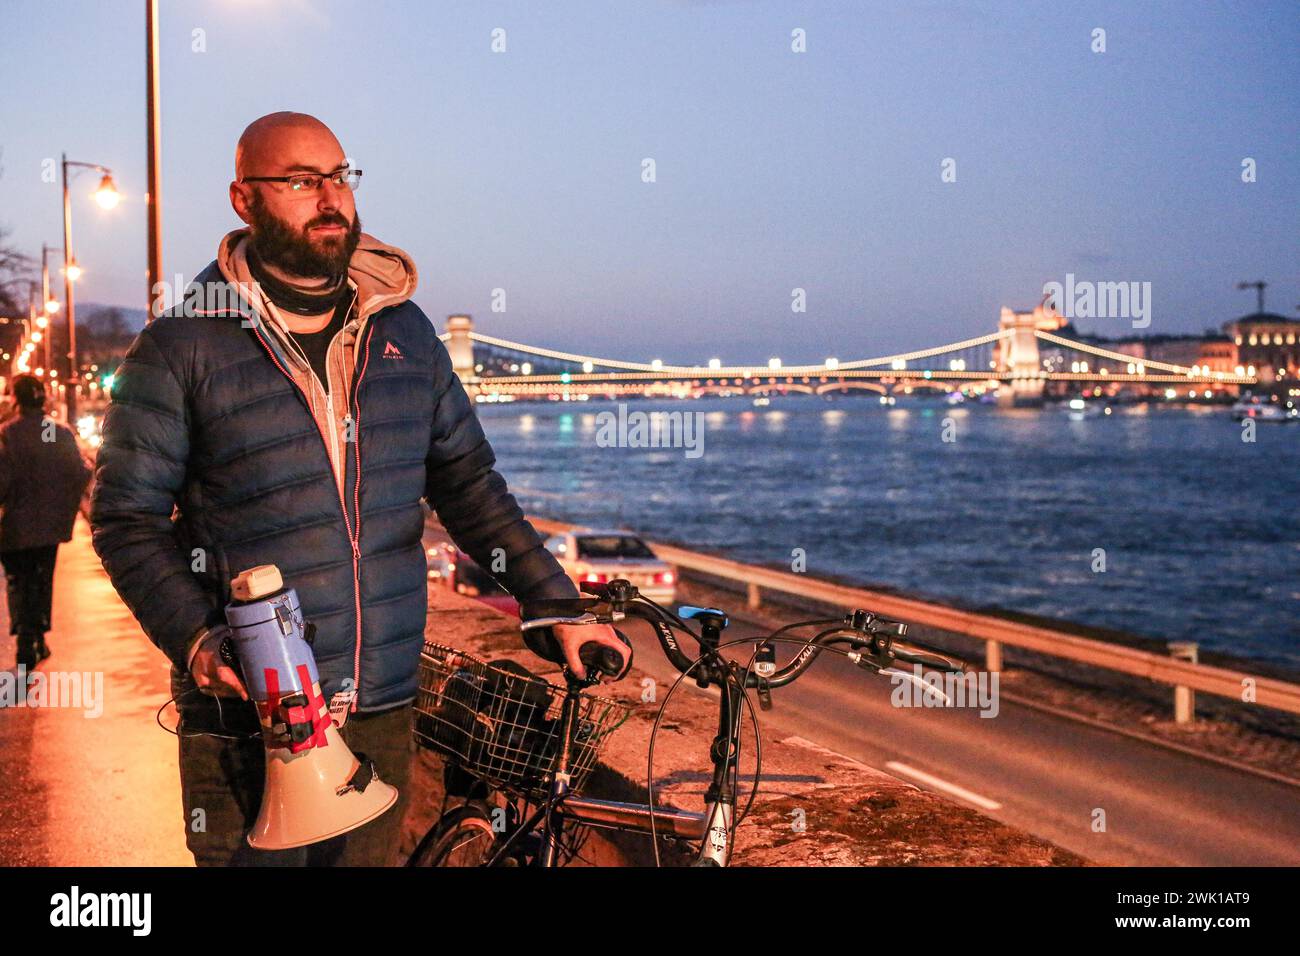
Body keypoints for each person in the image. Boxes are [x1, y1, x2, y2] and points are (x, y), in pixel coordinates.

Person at [90, 111, 625, 866]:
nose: (331, 197)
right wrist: (198, 638)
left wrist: (556, 603)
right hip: (249, 719)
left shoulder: (404, 333)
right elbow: (125, 519)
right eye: (303, 181)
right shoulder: (180, 347)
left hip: (380, 705)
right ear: (245, 200)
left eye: (340, 176)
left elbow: (468, 483)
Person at [0, 374, 92, 670]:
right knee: (42, 579)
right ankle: (38, 634)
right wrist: (62, 506)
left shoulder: (7, 435)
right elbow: (80, 472)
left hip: (13, 526)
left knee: (19, 582)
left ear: (16, 399)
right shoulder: (59, 433)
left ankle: (26, 639)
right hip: (50, 527)